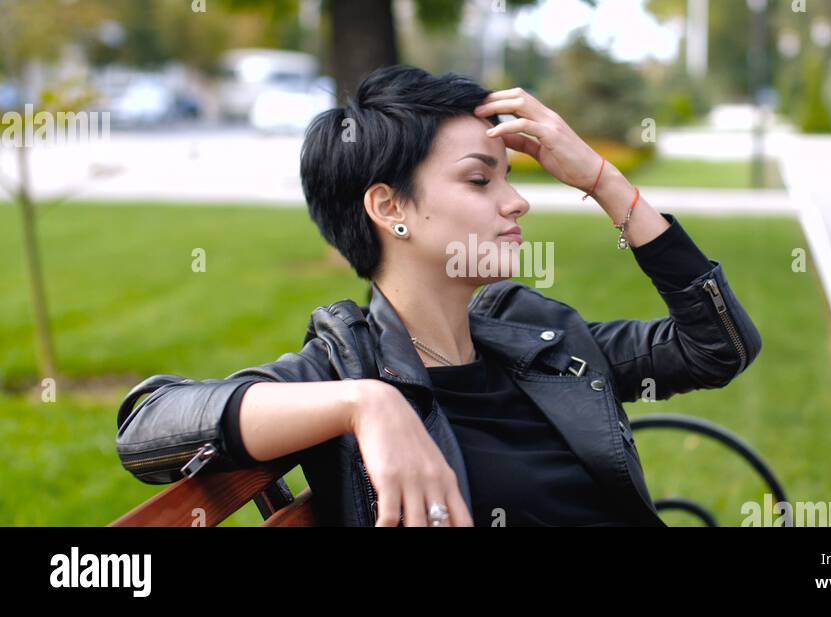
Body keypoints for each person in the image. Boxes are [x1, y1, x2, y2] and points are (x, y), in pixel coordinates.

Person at [116, 65, 763, 527]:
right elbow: (149, 428)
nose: (517, 200)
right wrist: (367, 403)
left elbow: (717, 347)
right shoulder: (348, 370)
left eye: (507, 176)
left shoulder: (538, 337)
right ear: (389, 206)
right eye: (480, 180)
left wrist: (603, 181)